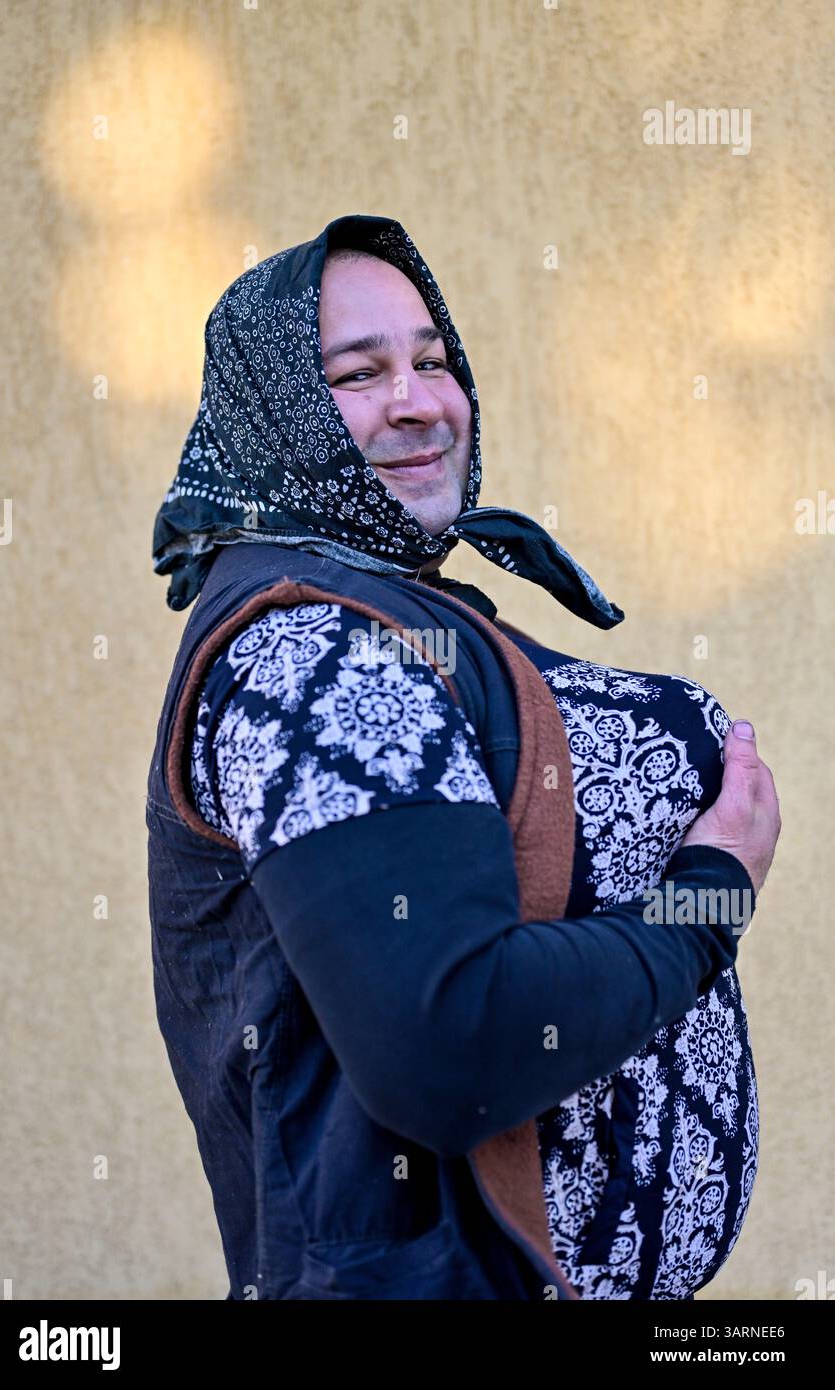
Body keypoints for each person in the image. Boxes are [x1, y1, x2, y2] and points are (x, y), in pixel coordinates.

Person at [146, 214, 781, 1300]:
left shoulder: (381, 610)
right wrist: (705, 900)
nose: (417, 399)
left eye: (432, 360)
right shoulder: (308, 651)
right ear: (274, 412)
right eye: (357, 374)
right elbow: (447, 1042)